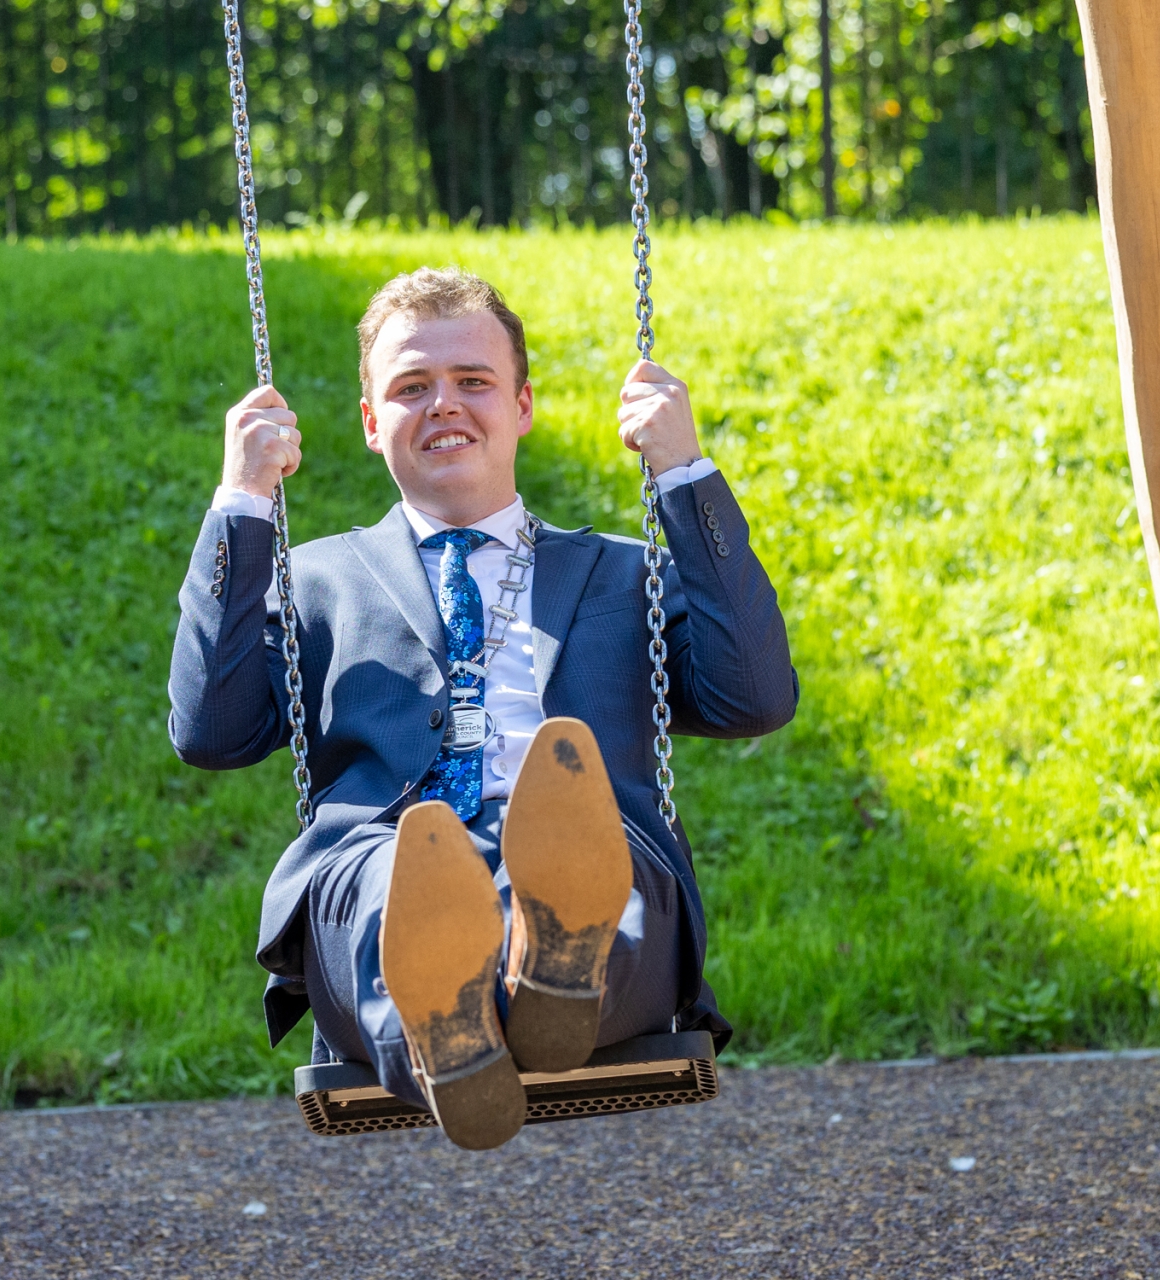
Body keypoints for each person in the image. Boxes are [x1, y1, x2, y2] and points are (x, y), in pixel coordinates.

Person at [169, 267, 796, 1150]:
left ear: (524, 404)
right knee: (407, 870)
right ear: (369, 421)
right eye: (411, 387)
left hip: (599, 863)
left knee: (584, 850)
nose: (444, 406)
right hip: (381, 868)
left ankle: (552, 970)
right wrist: (243, 502)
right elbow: (211, 730)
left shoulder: (624, 574)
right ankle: (449, 1031)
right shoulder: (313, 579)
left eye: (473, 382)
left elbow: (754, 698)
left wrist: (683, 474)